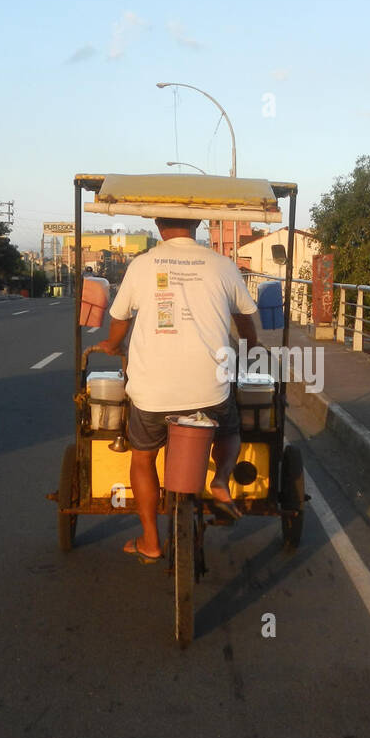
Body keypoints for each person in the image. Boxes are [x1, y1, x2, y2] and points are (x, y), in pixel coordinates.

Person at [89, 216, 259, 563]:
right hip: (209, 391)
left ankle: (151, 541)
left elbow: (120, 317)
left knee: (143, 457)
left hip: (152, 395)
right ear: (196, 224)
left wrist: (112, 342)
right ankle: (222, 480)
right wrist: (252, 345)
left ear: (157, 224)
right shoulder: (222, 265)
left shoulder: (142, 265)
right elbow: (244, 317)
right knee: (228, 428)